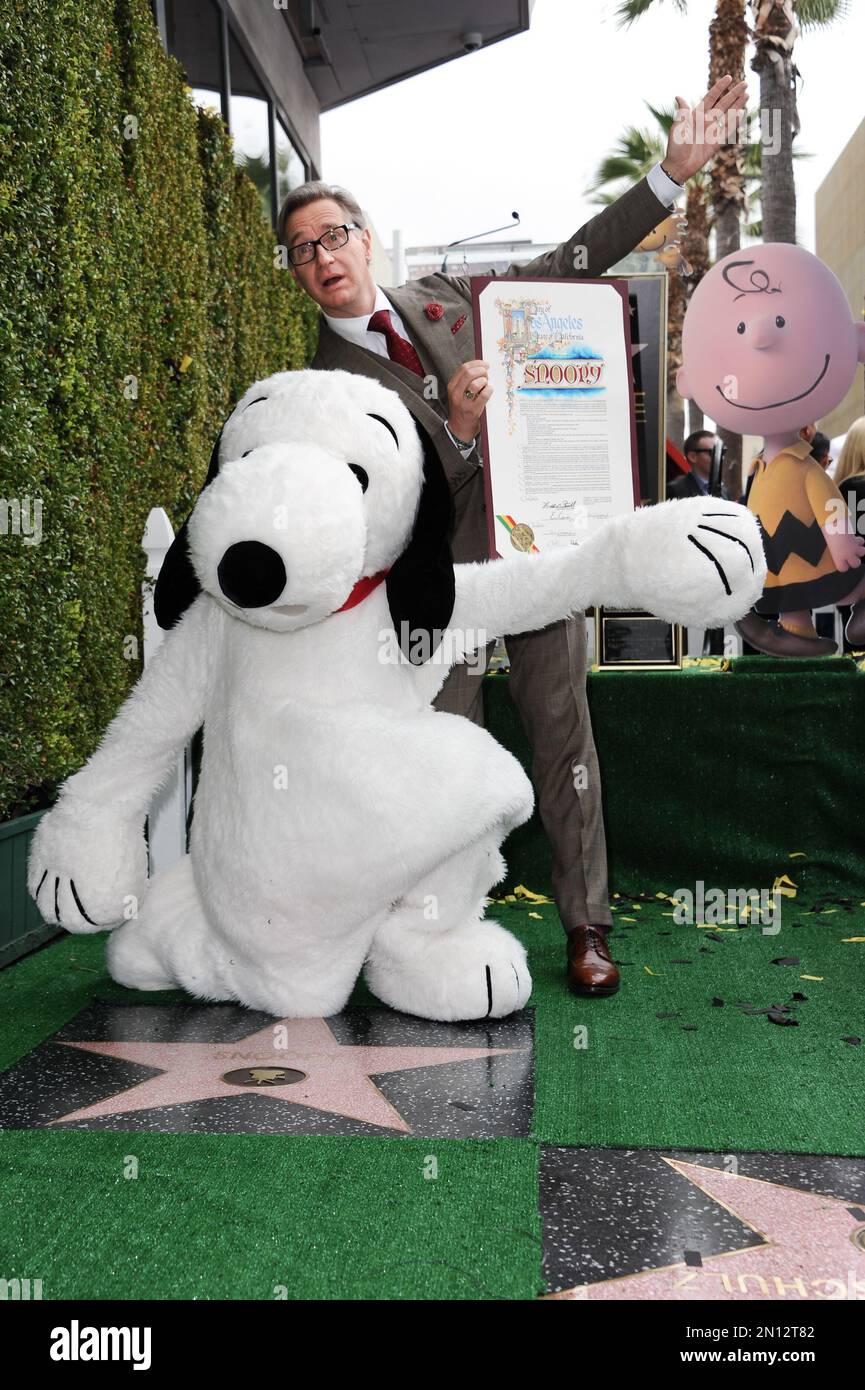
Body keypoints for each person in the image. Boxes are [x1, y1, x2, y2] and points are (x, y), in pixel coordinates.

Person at [279, 75, 749, 997]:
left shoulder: (454, 294)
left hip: (534, 556)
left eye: (333, 235)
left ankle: (587, 929)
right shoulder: (317, 392)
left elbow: (570, 265)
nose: (323, 256)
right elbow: (377, 518)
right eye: (302, 250)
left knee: (564, 738)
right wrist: (455, 432)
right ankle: (441, 937)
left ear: (365, 238)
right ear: (297, 273)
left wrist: (666, 176)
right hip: (438, 593)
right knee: (446, 759)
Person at [667, 429, 725, 498]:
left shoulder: (724, 492)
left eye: (722, 452)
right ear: (692, 457)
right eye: (713, 452)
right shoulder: (675, 490)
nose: (720, 458)